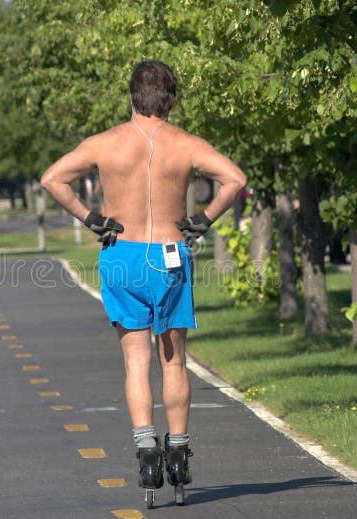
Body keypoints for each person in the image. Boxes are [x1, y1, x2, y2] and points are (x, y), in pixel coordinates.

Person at [40, 60, 246, 505]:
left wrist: (92, 219)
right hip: (170, 255)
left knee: (136, 363)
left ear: (132, 96)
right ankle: (178, 451)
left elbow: (52, 178)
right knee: (173, 362)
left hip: (121, 254)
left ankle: (146, 451)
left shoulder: (105, 143)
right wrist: (202, 220)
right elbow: (235, 179)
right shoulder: (186, 144)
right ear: (171, 99)